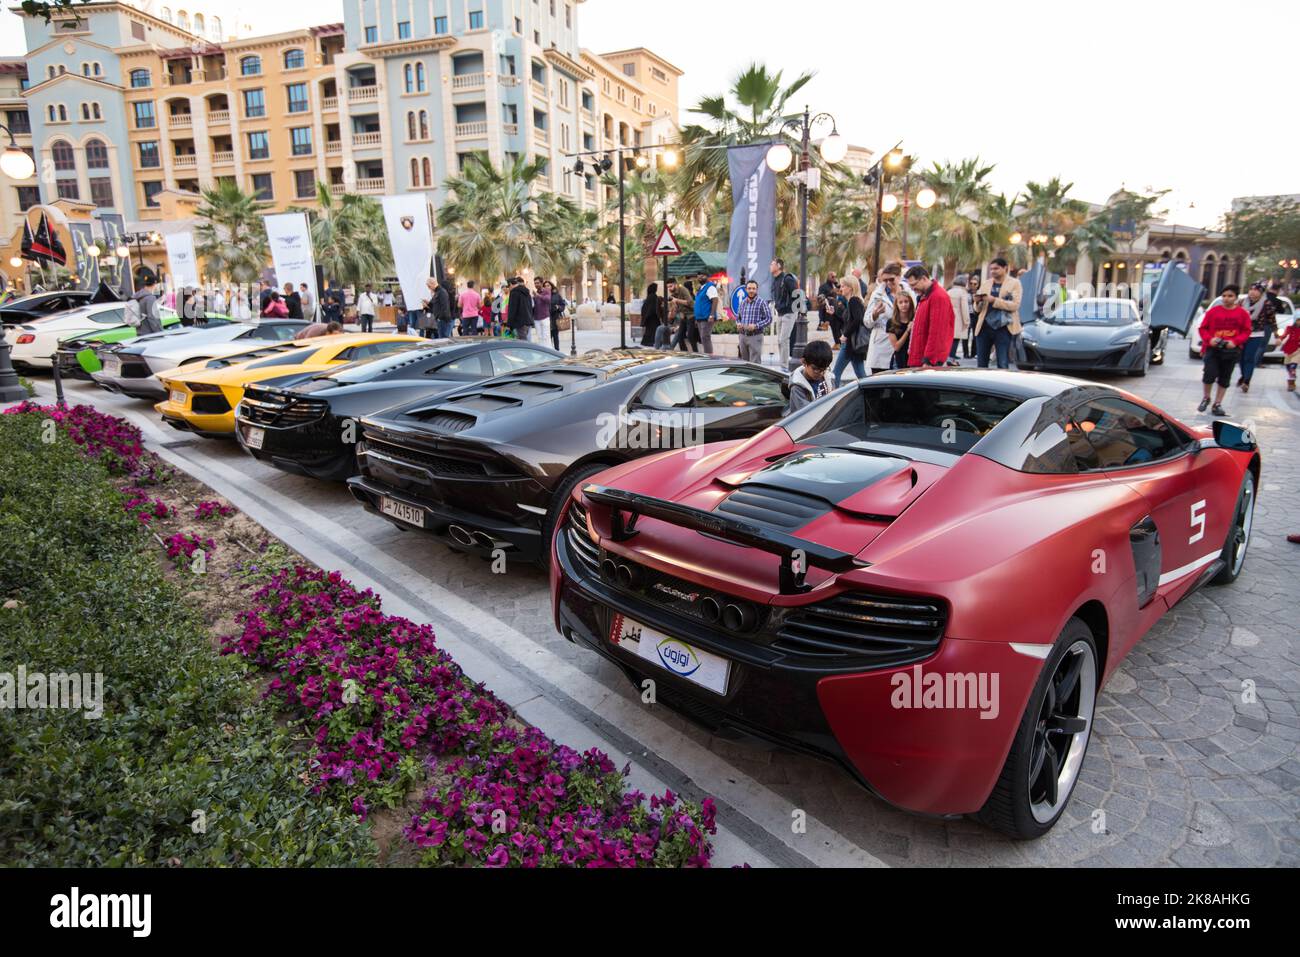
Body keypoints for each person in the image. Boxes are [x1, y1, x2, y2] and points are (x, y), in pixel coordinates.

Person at [1198, 284, 1251, 416]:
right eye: (1224, 296)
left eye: (1230, 296)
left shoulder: (1242, 314)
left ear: (1236, 297)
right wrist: (1209, 339)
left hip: (1231, 351)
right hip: (1213, 349)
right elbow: (1203, 328)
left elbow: (1246, 331)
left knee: (1225, 377)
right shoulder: (1213, 312)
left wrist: (1235, 342)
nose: (1226, 298)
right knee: (1209, 374)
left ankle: (1217, 403)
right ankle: (1206, 398)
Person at [973, 257, 1022, 369]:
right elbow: (977, 309)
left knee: (1002, 363)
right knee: (981, 364)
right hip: (984, 327)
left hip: (1003, 327)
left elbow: (1015, 305)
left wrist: (994, 300)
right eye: (991, 269)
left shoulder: (1014, 283)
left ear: (1005, 268)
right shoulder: (986, 283)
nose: (993, 271)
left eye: (996, 268)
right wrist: (978, 302)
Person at [904, 266, 955, 368]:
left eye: (914, 284)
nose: (913, 289)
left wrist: (929, 361)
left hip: (927, 363)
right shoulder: (926, 295)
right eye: (910, 286)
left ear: (924, 279)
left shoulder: (938, 296)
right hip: (920, 359)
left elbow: (937, 332)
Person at [1238, 282, 1277, 393]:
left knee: (1249, 358)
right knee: (1241, 358)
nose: (1252, 292)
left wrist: (1277, 335)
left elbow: (1272, 320)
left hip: (1257, 334)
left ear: (1261, 293)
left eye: (1256, 290)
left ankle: (1246, 381)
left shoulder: (1266, 304)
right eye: (1251, 289)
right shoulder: (1241, 302)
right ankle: (1243, 375)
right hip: (1242, 334)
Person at [865, 262, 903, 374]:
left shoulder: (908, 293)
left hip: (902, 346)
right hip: (882, 348)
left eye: (891, 279)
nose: (888, 283)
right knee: (881, 387)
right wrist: (875, 315)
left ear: (899, 277)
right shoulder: (877, 295)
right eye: (885, 280)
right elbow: (866, 322)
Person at [831, 278, 868, 386]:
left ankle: (832, 399)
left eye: (843, 286)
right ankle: (871, 394)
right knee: (861, 375)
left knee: (835, 374)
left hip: (850, 343)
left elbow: (858, 320)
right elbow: (848, 320)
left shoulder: (854, 301)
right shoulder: (852, 301)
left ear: (850, 287)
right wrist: (834, 313)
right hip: (853, 344)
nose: (840, 289)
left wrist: (845, 335)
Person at [785, 339, 833, 414]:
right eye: (815, 369)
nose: (820, 373)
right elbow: (807, 413)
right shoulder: (797, 387)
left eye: (823, 369)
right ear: (804, 362)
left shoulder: (827, 376)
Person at [769, 258, 800, 367]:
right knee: (779, 340)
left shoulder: (787, 279)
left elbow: (796, 293)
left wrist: (797, 310)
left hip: (789, 313)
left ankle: (784, 366)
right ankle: (783, 363)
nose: (770, 266)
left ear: (778, 266)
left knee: (784, 339)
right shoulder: (775, 280)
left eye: (772, 264)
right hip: (780, 313)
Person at [735, 279, 773, 362]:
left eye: (753, 288)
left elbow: (769, 318)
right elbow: (738, 317)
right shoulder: (742, 303)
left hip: (755, 337)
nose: (751, 290)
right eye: (749, 288)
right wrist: (738, 323)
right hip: (742, 336)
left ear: (756, 289)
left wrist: (756, 326)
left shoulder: (762, 302)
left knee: (755, 364)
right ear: (746, 289)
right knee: (744, 363)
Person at [887, 293, 915, 370]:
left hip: (914, 360)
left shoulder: (915, 318)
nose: (904, 305)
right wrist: (907, 331)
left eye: (906, 302)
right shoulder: (891, 322)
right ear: (896, 305)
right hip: (899, 361)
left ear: (910, 303)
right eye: (900, 302)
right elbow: (896, 347)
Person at [693, 272, 718, 354]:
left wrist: (712, 315)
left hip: (707, 317)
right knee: (703, 337)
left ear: (707, 277)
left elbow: (715, 300)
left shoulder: (710, 287)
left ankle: (710, 357)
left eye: (702, 276)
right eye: (698, 276)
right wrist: (696, 318)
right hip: (700, 318)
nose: (700, 277)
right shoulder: (701, 288)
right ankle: (707, 355)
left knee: (705, 337)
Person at [666, 280, 695, 351]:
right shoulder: (673, 294)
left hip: (691, 315)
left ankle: (696, 353)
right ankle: (684, 353)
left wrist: (676, 300)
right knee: (679, 337)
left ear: (675, 284)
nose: (669, 288)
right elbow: (678, 307)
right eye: (668, 287)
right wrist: (675, 308)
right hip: (683, 317)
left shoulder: (683, 290)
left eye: (670, 286)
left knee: (690, 336)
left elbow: (690, 302)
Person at [949, 273, 971, 363]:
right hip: (958, 317)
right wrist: (966, 321)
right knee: (956, 338)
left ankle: (950, 355)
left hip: (949, 317)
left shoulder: (949, 291)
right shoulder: (962, 292)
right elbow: (964, 308)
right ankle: (952, 357)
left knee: (951, 338)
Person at [505, 276, 533, 340]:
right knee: (525, 341)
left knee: (522, 344)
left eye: (508, 287)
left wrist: (509, 325)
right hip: (528, 322)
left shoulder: (514, 292)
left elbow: (512, 310)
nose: (508, 289)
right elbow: (530, 307)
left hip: (519, 323)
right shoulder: (526, 292)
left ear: (511, 284)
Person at [639, 282, 662, 348]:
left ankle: (648, 342)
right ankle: (652, 342)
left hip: (649, 317)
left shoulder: (649, 297)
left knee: (649, 330)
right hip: (653, 317)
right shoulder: (653, 297)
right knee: (654, 330)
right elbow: (654, 308)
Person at [547, 280, 566, 350]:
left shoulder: (556, 295)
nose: (547, 287)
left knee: (555, 337)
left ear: (551, 286)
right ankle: (548, 352)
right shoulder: (543, 295)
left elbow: (563, 305)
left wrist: (559, 307)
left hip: (555, 318)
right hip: (546, 319)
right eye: (545, 286)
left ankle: (557, 351)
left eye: (548, 285)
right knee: (548, 338)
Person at [965, 272, 981, 357]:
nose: (973, 285)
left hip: (976, 315)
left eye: (975, 283)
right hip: (968, 314)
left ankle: (974, 353)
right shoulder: (966, 292)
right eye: (971, 283)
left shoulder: (979, 293)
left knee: (975, 334)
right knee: (966, 335)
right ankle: (966, 353)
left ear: (978, 284)